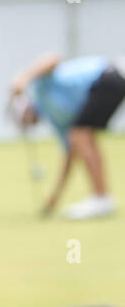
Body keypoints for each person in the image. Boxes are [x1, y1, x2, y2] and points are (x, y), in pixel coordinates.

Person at [9, 53, 124, 219]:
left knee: (81, 135)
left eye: (23, 119)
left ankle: (101, 198)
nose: (26, 123)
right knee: (84, 138)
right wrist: (55, 196)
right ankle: (103, 197)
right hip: (108, 84)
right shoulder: (57, 121)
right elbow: (70, 155)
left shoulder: (40, 88)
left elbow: (53, 58)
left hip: (107, 76)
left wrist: (24, 78)